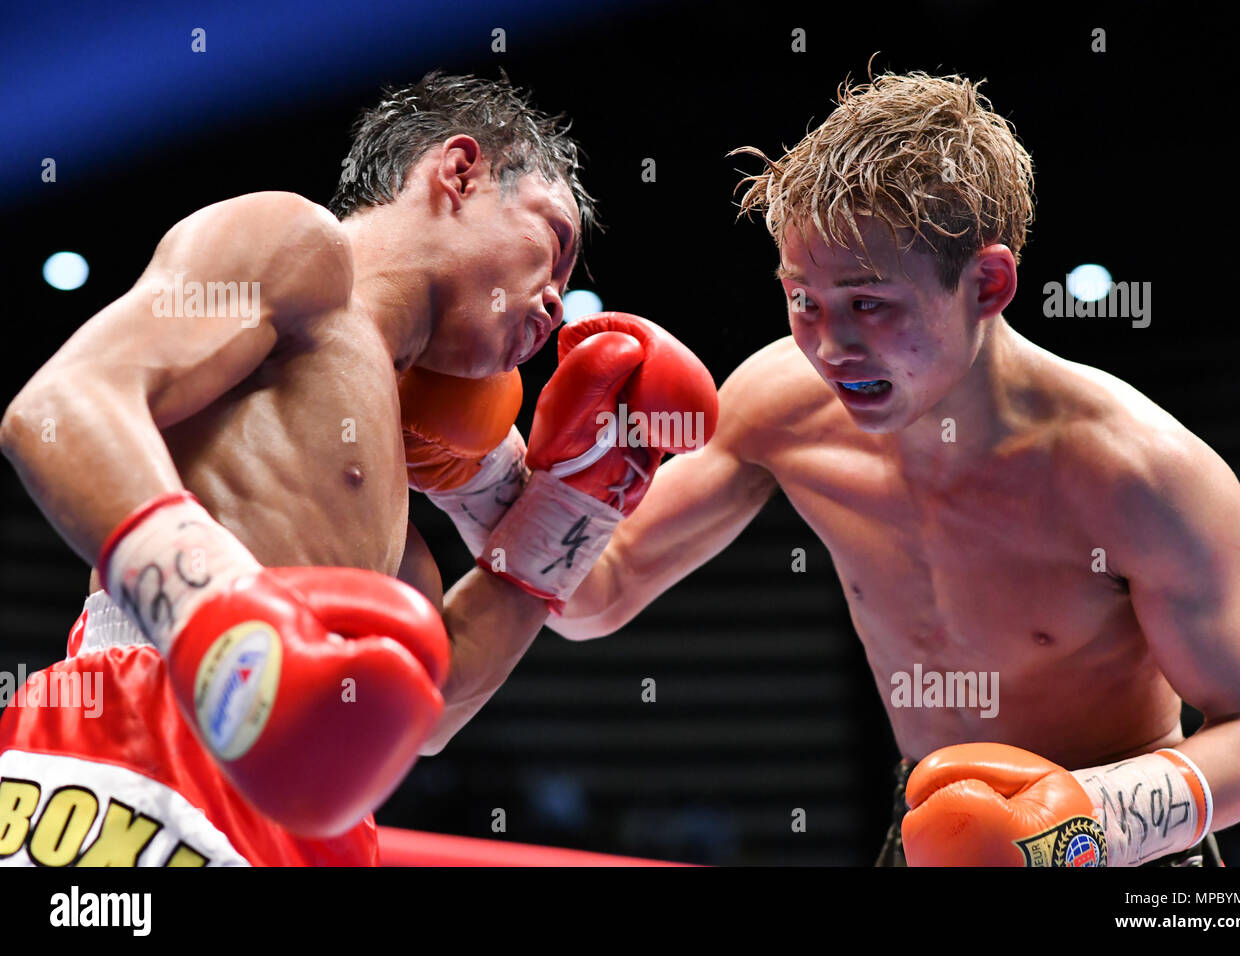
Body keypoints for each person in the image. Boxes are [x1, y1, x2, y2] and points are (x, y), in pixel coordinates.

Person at [545, 69, 1240, 866]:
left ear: (988, 283)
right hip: (926, 832)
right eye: (803, 300)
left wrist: (1080, 827)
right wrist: (475, 467)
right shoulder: (777, 407)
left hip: (1126, 846)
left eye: (870, 303)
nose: (831, 348)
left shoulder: (1139, 474)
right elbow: (594, 595)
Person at [0, 70, 716, 866]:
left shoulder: (384, 463)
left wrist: (577, 505)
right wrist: (216, 617)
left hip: (314, 812)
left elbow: (427, 712)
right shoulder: (296, 244)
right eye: (553, 243)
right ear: (461, 171)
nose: (556, 300)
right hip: (153, 720)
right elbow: (62, 403)